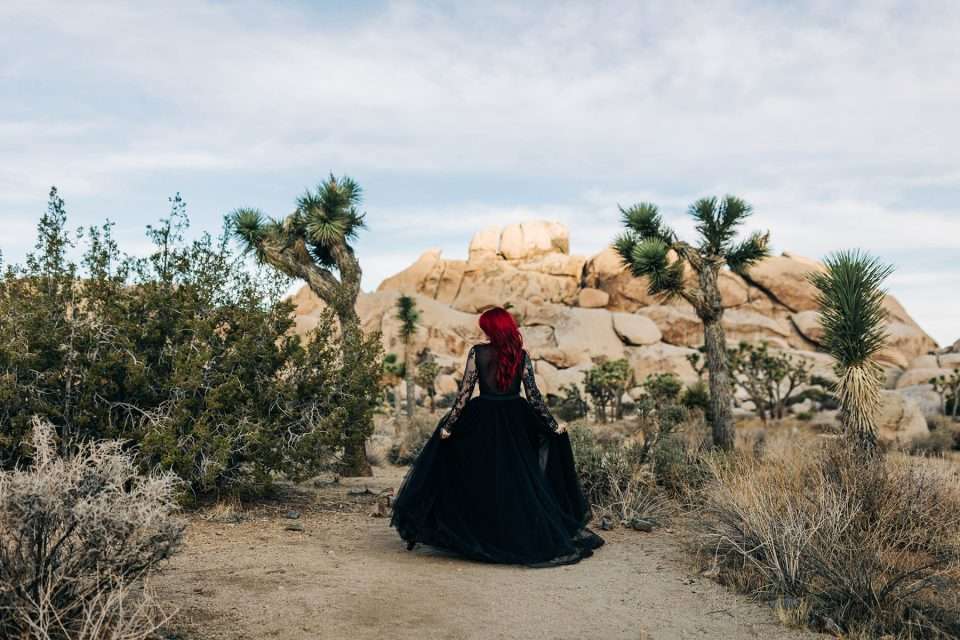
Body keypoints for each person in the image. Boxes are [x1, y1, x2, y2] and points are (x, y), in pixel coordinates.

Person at [390, 306, 604, 567]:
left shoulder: (478, 353)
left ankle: (481, 535)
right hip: (517, 420)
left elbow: (464, 393)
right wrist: (552, 425)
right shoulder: (520, 355)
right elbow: (534, 396)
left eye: (485, 327)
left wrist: (449, 426)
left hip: (482, 419)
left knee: (478, 477)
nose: (482, 331)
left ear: (491, 329)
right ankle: (512, 535)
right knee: (515, 480)